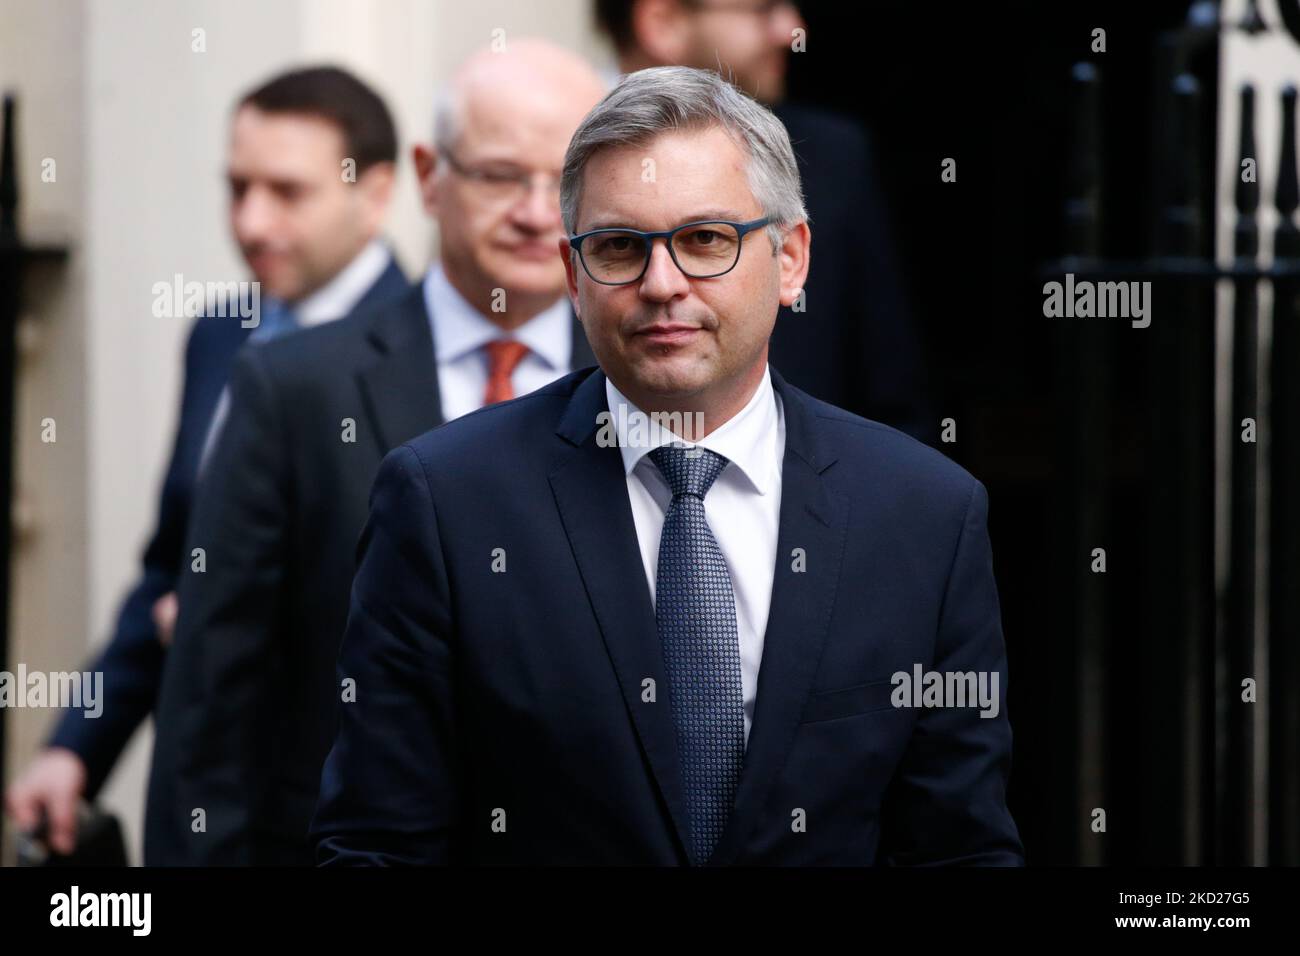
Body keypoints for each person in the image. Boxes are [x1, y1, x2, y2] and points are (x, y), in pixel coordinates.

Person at [310, 66, 1022, 866]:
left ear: (790, 261)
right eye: (619, 247)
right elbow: (380, 845)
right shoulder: (446, 504)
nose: (661, 284)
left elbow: (958, 849)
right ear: (574, 274)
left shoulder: (923, 513)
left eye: (705, 240)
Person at [144, 40, 609, 865]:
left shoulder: (648, 383)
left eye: (568, 178)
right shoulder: (293, 388)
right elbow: (213, 693)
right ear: (429, 176)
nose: (540, 212)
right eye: (502, 176)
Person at [3, 65, 406, 858]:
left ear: (378, 191)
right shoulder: (223, 334)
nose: (252, 221)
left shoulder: (431, 356)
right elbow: (169, 567)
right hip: (204, 803)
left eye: (288, 192)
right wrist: (75, 747)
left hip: (342, 815)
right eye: (237, 187)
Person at [594, 0, 933, 441]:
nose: (791, 28)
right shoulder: (536, 157)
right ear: (663, 21)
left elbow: (893, 392)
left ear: (793, 252)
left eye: (708, 236)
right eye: (762, 8)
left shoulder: (828, 159)